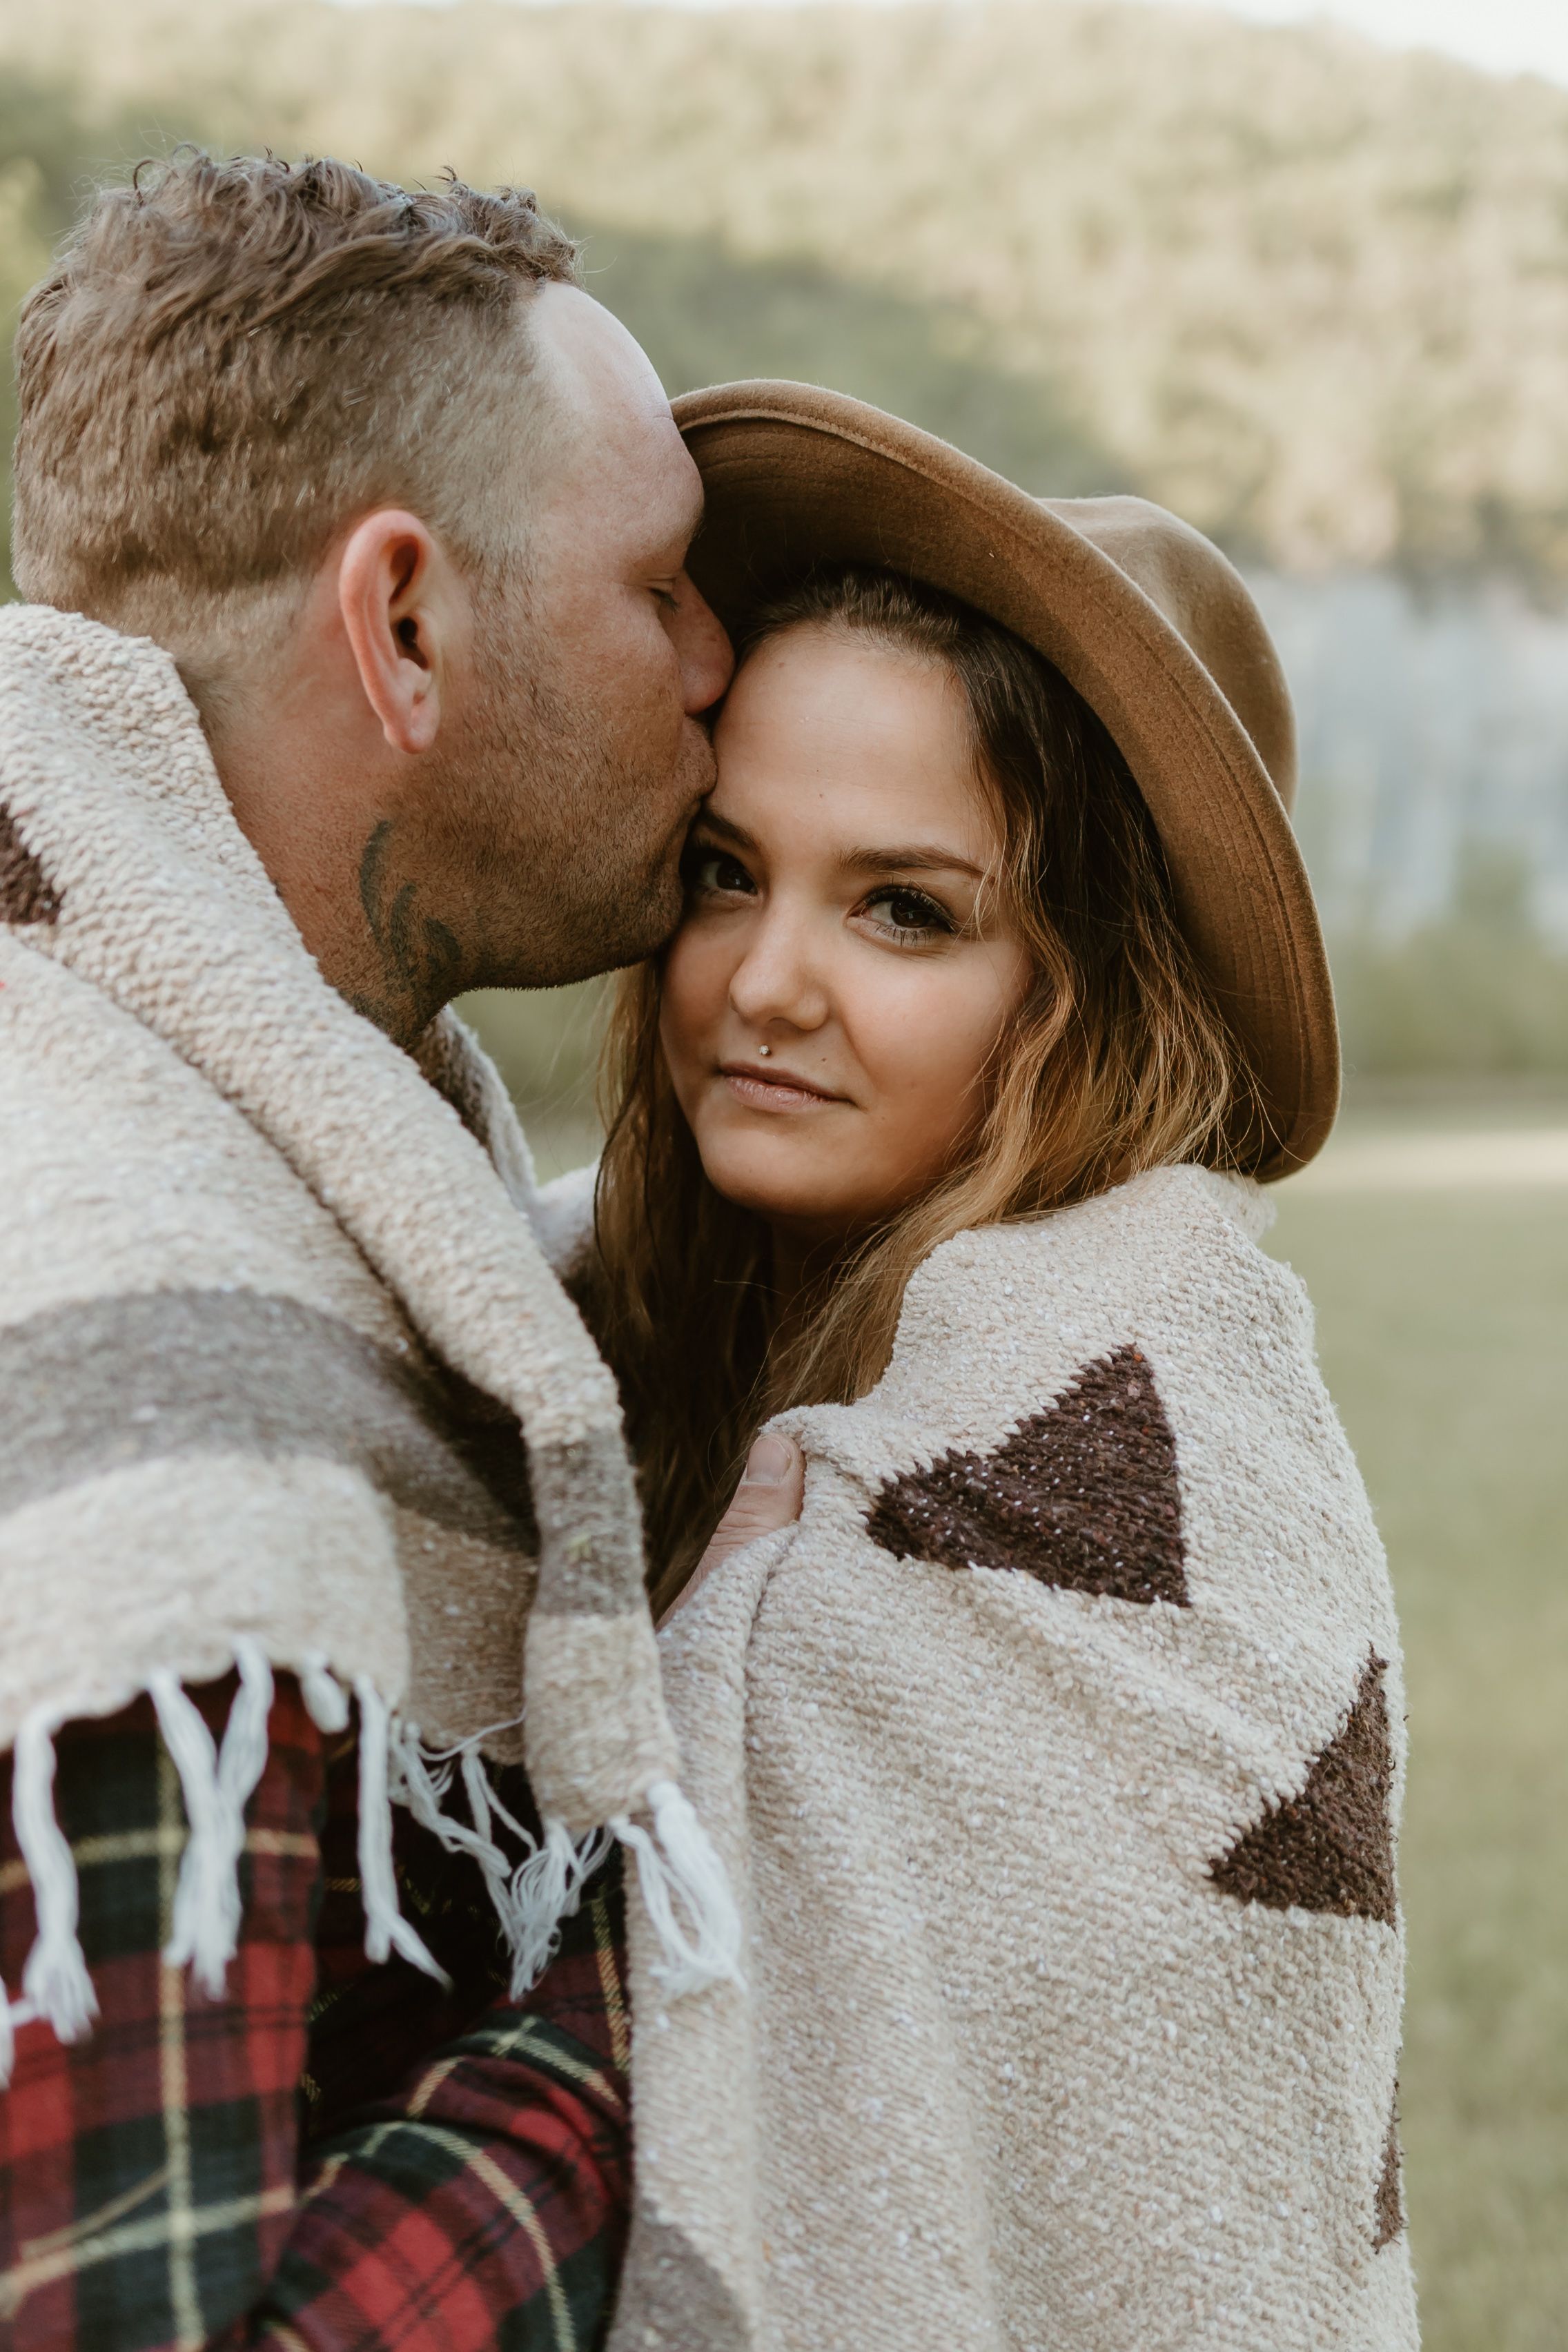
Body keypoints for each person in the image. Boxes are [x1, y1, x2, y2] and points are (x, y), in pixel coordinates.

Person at [553, 386, 1418, 2349]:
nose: (765, 980)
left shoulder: (1127, 1483)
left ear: (1089, 991)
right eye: (720, 870)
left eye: (904, 910)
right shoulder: (600, 1324)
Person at [0, 151, 753, 2350]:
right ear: (405, 623)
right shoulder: (152, 1372)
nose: (718, 665)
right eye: (663, 588)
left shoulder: (203, 1142)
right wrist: (697, 1944)